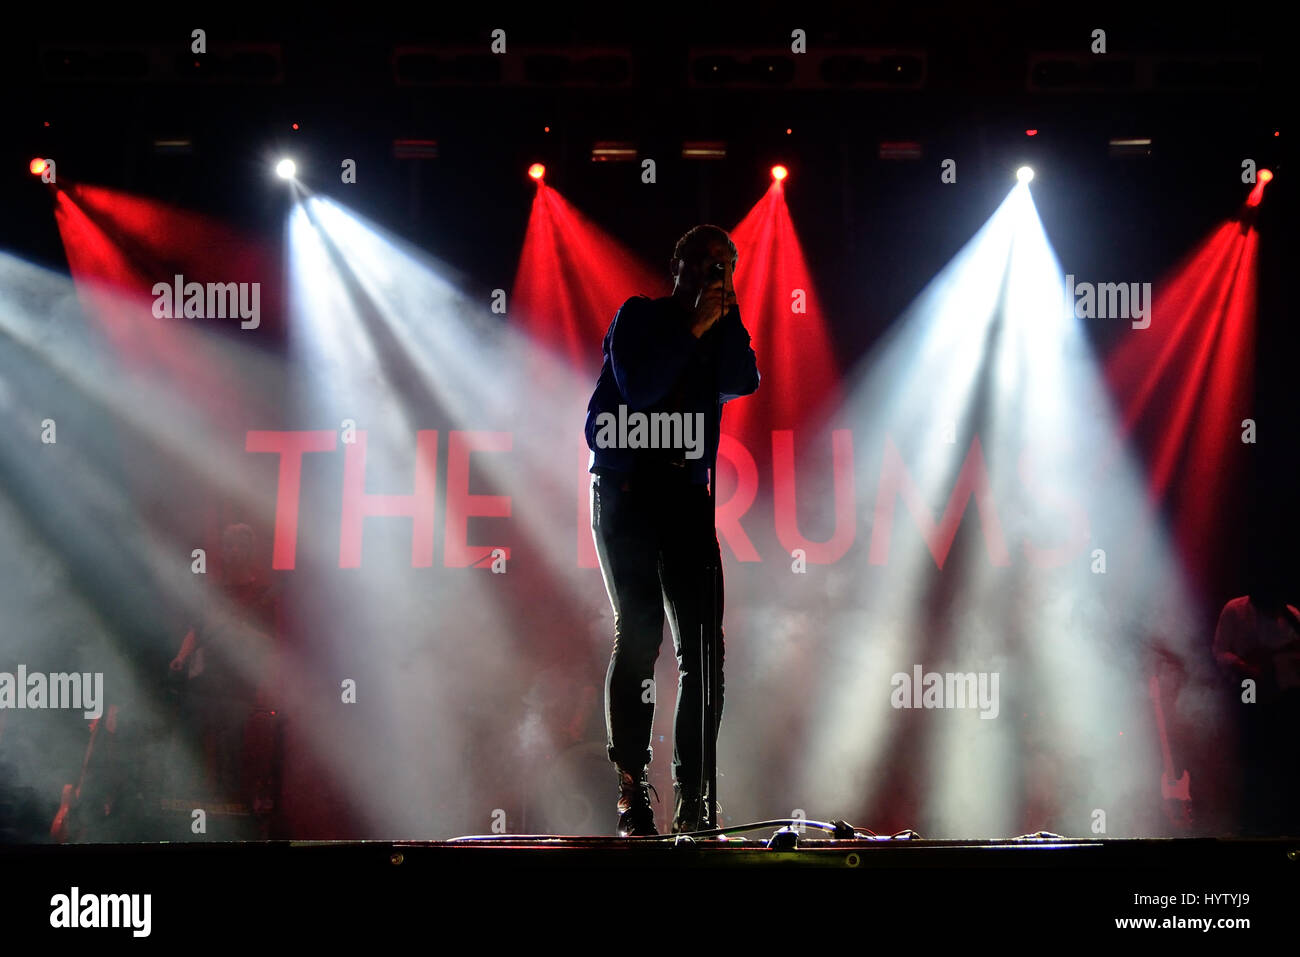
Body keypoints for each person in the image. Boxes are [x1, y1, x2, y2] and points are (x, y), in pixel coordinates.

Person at [584, 224, 760, 835]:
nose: (714, 271)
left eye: (725, 263)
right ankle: (633, 787)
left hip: (686, 498)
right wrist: (693, 328)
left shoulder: (719, 330)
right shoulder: (640, 317)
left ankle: (695, 796)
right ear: (677, 265)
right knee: (639, 630)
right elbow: (641, 388)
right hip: (628, 492)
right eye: (703, 260)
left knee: (704, 650)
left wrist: (727, 319)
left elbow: (744, 380)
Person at [171, 523, 281, 824]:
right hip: (205, 681)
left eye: (239, 544)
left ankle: (229, 819)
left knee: (231, 752)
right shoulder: (213, 589)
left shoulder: (263, 593)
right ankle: (196, 813)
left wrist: (243, 634)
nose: (233, 551)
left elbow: (270, 643)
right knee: (198, 745)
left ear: (250, 549)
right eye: (229, 544)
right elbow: (197, 628)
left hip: (237, 685)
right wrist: (181, 656)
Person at [1212, 568, 1300, 835]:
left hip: (1285, 701)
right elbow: (1219, 651)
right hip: (1247, 691)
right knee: (1251, 756)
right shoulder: (1235, 610)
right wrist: (1248, 667)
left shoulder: (1293, 617)